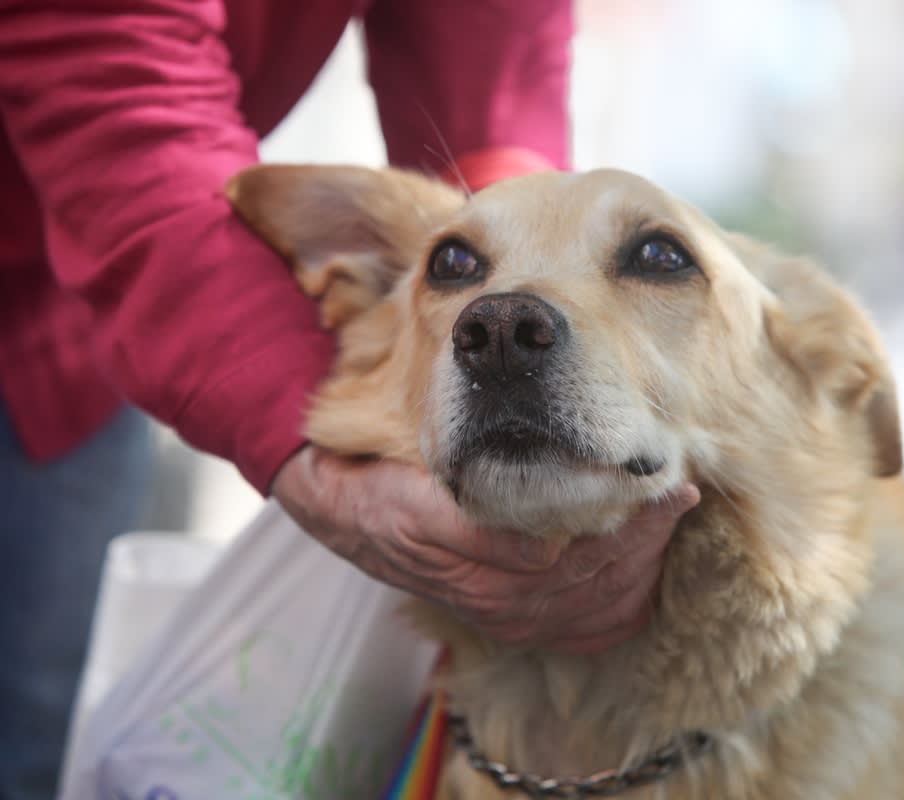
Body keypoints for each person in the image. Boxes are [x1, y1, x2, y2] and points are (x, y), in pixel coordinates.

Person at [0, 2, 699, 797]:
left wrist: (504, 251)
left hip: (56, 347)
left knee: (35, 735)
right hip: (82, 252)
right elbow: (109, 72)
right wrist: (319, 462)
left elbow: (488, 58)